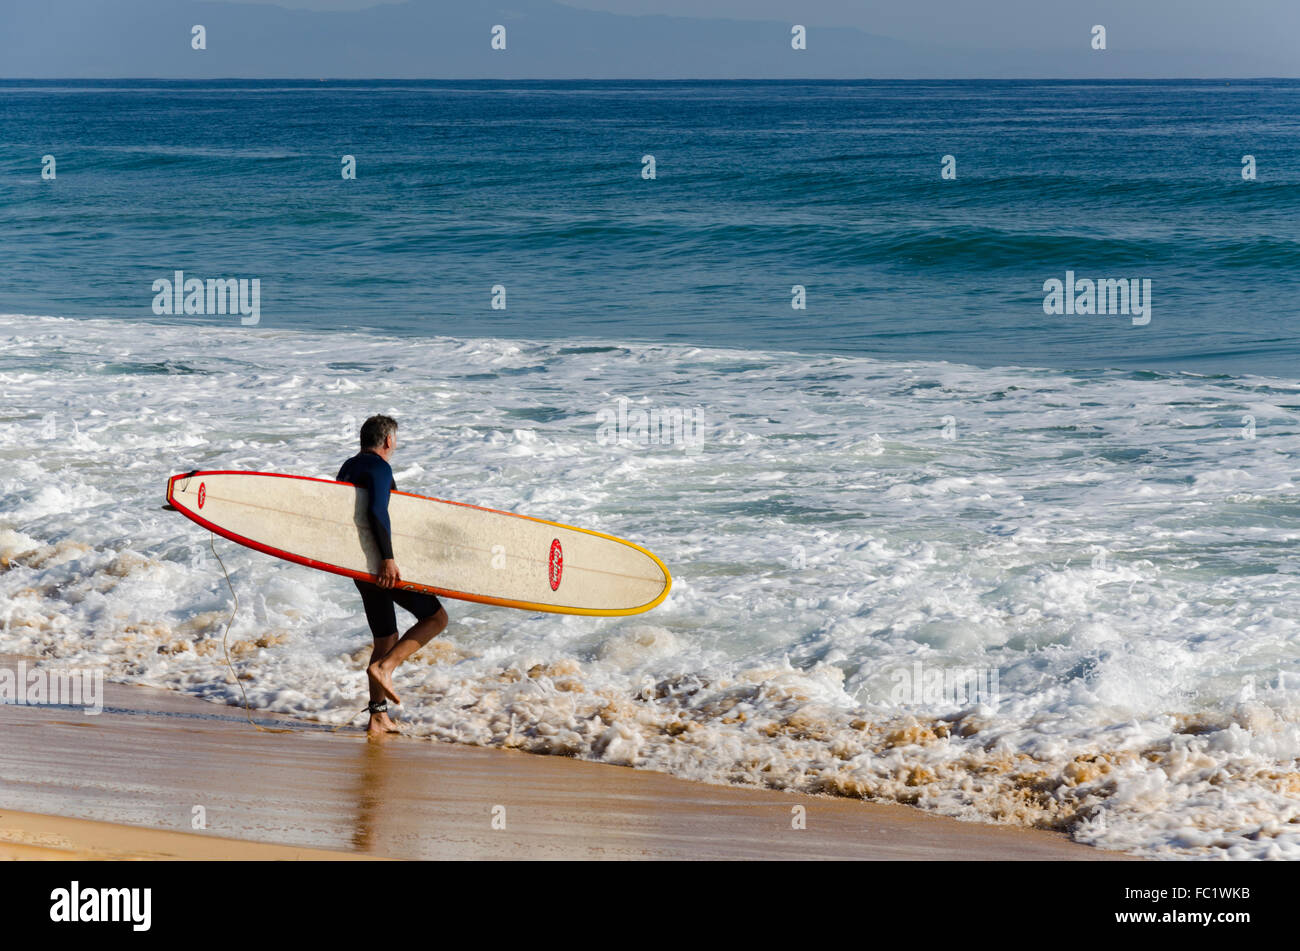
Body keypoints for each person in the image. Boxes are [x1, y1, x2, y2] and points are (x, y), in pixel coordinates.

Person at [337, 414, 448, 735]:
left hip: (357, 564)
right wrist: (388, 559)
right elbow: (376, 511)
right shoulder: (379, 467)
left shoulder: (348, 466)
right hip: (378, 565)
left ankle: (377, 717)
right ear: (388, 440)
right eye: (395, 439)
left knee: (385, 637)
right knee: (437, 619)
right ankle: (386, 668)